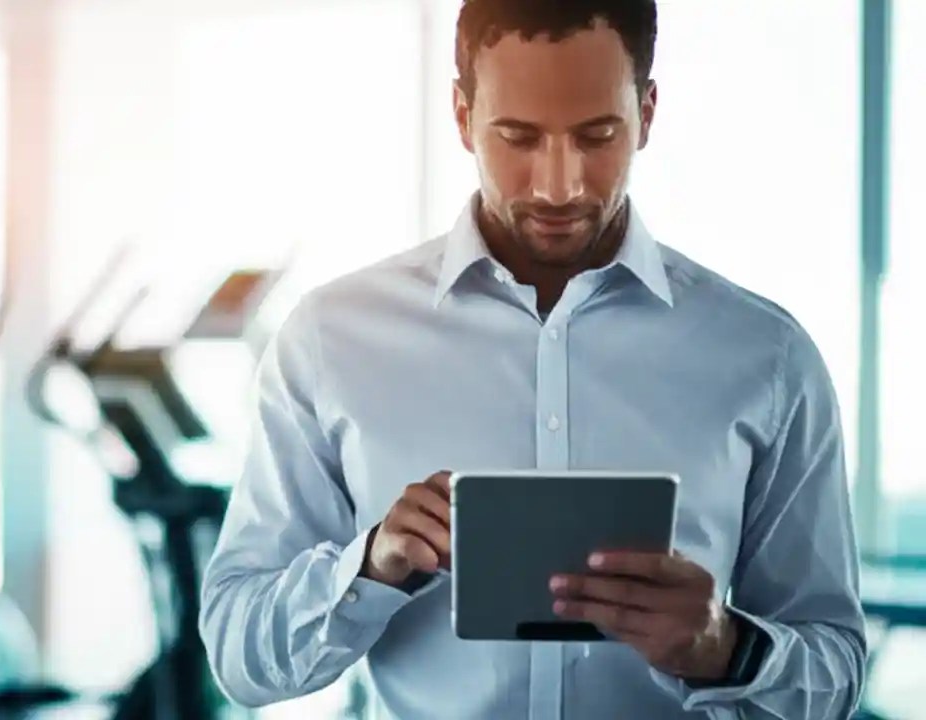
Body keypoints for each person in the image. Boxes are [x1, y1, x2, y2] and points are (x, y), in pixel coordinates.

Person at [198, 1, 867, 718]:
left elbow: (835, 672)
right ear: (462, 115)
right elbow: (242, 660)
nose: (559, 186)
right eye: (517, 137)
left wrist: (725, 647)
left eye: (597, 135)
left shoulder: (767, 358)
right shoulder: (331, 342)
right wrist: (370, 568)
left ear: (647, 112)